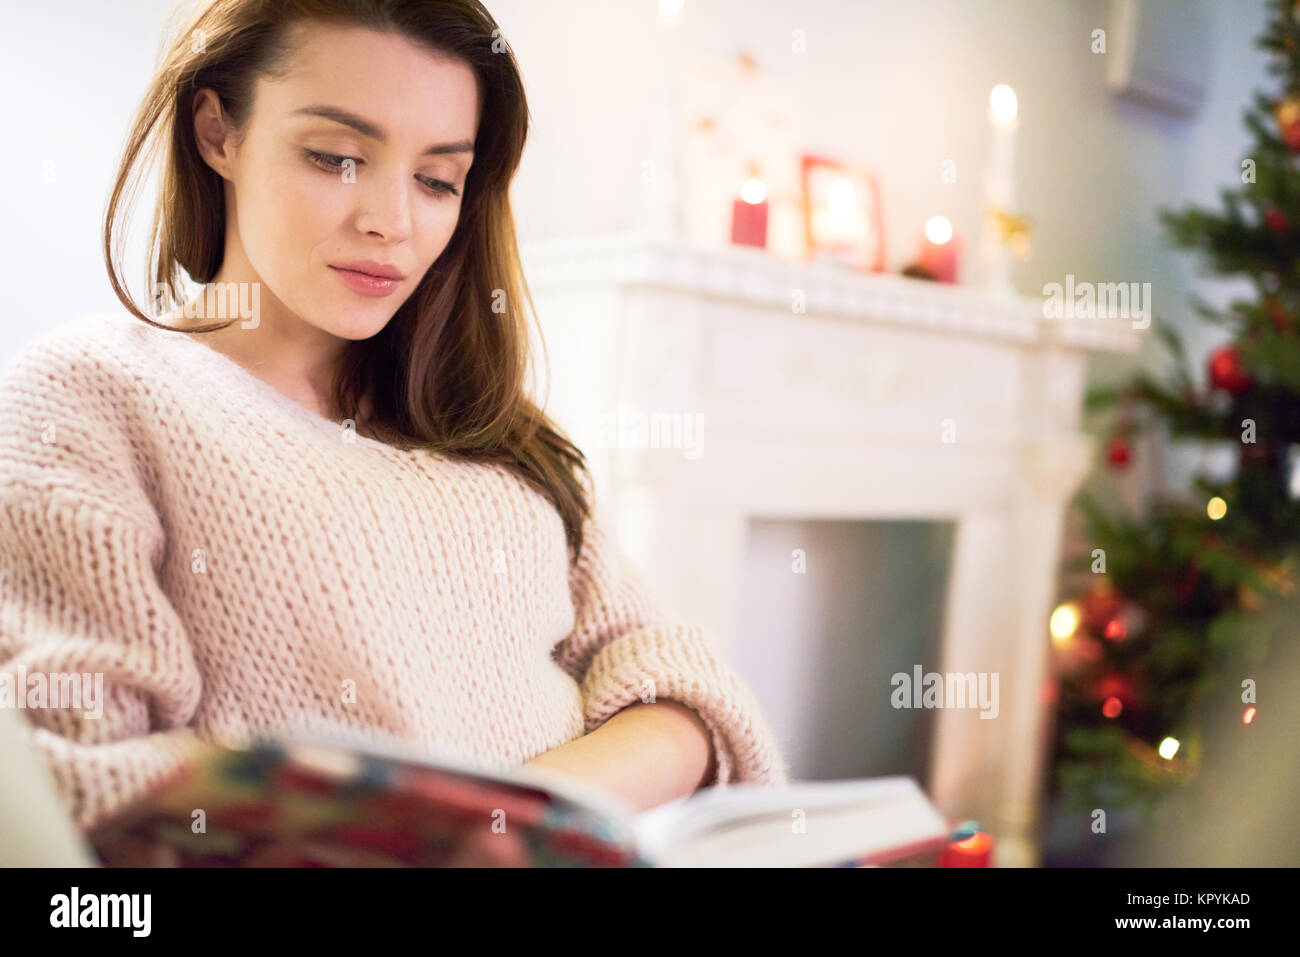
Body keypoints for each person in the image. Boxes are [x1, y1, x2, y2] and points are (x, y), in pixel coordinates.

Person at [0, 0, 789, 866]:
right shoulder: (94, 396)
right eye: (337, 157)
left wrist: (525, 818)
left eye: (438, 179)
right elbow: (80, 783)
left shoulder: (487, 427)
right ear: (217, 131)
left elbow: (678, 676)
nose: (393, 221)